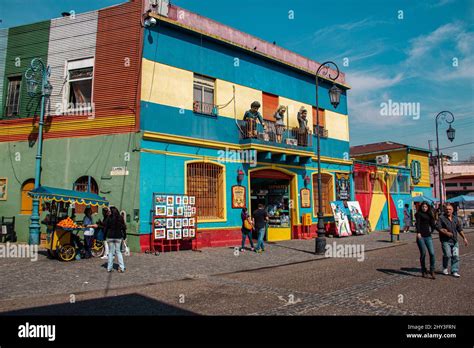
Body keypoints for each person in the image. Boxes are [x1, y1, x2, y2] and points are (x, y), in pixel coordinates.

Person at [437, 203, 469, 278]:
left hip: (454, 241)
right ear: (444, 210)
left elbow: (459, 229)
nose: (448, 210)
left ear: (452, 210)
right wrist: (446, 232)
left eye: (449, 209)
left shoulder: (455, 218)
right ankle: (445, 267)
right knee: (447, 255)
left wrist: (464, 238)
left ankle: (454, 271)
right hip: (445, 241)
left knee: (455, 256)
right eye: (446, 209)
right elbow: (438, 227)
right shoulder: (441, 218)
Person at [415, 202, 439, 279]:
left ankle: (432, 269)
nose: (424, 208)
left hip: (428, 236)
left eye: (425, 207)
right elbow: (417, 224)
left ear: (428, 207)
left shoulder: (429, 215)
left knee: (432, 253)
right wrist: (418, 232)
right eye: (423, 207)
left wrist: (441, 230)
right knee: (423, 253)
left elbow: (433, 225)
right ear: (421, 207)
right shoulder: (418, 214)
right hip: (421, 236)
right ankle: (423, 270)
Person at [104, 206, 127, 272]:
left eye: (110, 211)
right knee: (118, 252)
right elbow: (123, 227)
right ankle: (122, 267)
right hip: (118, 237)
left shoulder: (109, 218)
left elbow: (105, 228)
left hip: (110, 237)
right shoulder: (120, 218)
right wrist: (124, 235)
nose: (109, 212)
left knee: (111, 252)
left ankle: (109, 268)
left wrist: (104, 236)